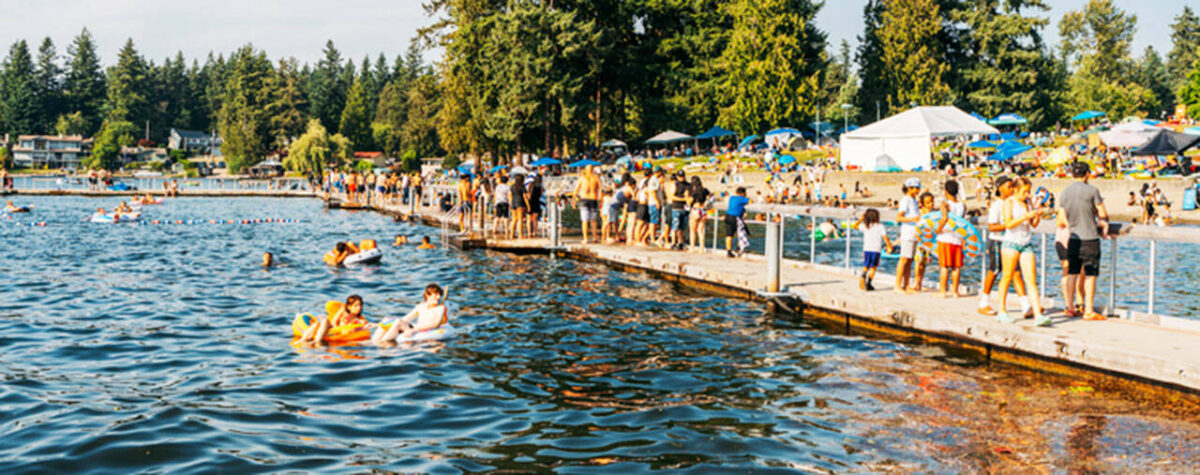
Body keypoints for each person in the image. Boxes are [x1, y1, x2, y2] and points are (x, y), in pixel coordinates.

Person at [1057, 162, 1109, 321]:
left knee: (1072, 273)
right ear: (1087, 174)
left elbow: (1062, 217)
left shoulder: (1065, 193)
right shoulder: (1092, 190)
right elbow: (1102, 213)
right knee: (1090, 275)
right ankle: (1089, 310)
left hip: (1073, 238)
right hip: (1090, 238)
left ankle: (1070, 307)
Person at [996, 177, 1050, 325]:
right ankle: (1002, 310)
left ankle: (1038, 314)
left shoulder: (1028, 203)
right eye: (1024, 191)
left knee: (1031, 280)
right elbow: (1008, 223)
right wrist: (1025, 216)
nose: (1027, 194)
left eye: (1028, 191)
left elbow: (1033, 224)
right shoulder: (1009, 202)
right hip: (1011, 243)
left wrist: (1037, 215)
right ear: (1016, 190)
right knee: (1007, 276)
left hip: (1026, 242)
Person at [978, 177, 1031, 317]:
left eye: (1013, 187)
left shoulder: (1015, 203)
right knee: (994, 270)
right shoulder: (997, 205)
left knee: (1017, 272)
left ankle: (1026, 305)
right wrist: (1008, 225)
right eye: (1009, 187)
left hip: (1011, 242)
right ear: (1000, 188)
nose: (1012, 190)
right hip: (998, 241)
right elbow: (991, 226)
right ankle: (984, 302)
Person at [373, 284, 449, 343]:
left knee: (398, 322)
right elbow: (406, 318)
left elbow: (436, 324)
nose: (438, 297)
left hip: (424, 330)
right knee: (386, 319)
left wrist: (415, 330)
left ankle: (382, 343)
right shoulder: (421, 306)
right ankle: (373, 342)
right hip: (415, 329)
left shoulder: (440, 308)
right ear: (427, 295)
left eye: (440, 295)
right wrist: (377, 325)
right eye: (436, 294)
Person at [297, 295, 369, 347]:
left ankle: (317, 341)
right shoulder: (343, 313)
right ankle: (306, 340)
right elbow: (333, 322)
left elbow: (365, 326)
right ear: (349, 307)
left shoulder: (359, 319)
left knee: (322, 322)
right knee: (321, 322)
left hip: (343, 334)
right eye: (356, 306)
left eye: (360, 305)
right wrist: (337, 329)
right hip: (334, 330)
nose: (359, 308)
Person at [935, 180, 966, 298]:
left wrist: (938, 229)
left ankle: (943, 292)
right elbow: (963, 221)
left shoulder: (945, 204)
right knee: (956, 267)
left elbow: (945, 218)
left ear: (946, 191)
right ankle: (955, 292)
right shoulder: (963, 205)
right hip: (957, 237)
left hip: (945, 237)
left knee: (944, 266)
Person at [894, 178, 922, 294]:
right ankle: (897, 285)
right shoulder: (905, 200)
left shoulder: (914, 200)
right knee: (904, 259)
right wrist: (913, 219)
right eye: (916, 188)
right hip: (907, 233)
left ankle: (906, 285)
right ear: (910, 188)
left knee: (910, 260)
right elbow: (899, 217)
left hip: (914, 233)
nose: (918, 190)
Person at [854, 208, 892, 291]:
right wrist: (890, 247)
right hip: (876, 250)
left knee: (866, 265)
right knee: (873, 267)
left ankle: (863, 275)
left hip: (867, 249)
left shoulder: (866, 226)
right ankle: (869, 283)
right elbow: (886, 238)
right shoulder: (880, 226)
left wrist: (861, 218)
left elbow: (855, 226)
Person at [574, 165, 602, 244]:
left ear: (586, 170)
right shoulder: (596, 179)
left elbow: (576, 191)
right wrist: (601, 202)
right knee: (593, 220)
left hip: (584, 200)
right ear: (592, 170)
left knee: (584, 220)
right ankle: (594, 238)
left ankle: (585, 239)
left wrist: (574, 200)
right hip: (593, 200)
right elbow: (600, 192)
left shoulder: (582, 179)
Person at [724, 187, 750, 258]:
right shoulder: (741, 198)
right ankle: (739, 248)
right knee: (744, 232)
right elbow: (750, 201)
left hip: (728, 216)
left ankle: (729, 252)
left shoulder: (732, 198)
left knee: (729, 234)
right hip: (735, 217)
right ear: (743, 193)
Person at [688, 176, 711, 252]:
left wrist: (687, 198)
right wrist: (708, 203)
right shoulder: (705, 190)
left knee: (693, 231)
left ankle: (692, 248)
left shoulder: (694, 192)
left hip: (696, 210)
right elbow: (711, 196)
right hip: (703, 210)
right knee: (701, 231)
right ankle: (701, 248)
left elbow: (689, 202)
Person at [668, 171, 690, 250]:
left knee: (682, 227)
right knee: (675, 226)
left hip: (685, 208)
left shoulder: (687, 185)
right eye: (680, 176)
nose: (681, 178)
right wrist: (683, 199)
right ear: (677, 177)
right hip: (676, 207)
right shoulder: (675, 184)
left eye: (682, 176)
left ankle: (680, 242)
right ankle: (673, 243)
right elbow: (671, 196)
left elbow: (688, 195)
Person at [509, 174, 527, 239]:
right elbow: (525, 197)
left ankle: (511, 234)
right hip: (520, 203)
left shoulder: (512, 186)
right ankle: (520, 234)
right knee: (520, 219)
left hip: (513, 203)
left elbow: (510, 196)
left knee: (514, 219)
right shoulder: (522, 187)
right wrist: (528, 206)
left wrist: (510, 204)